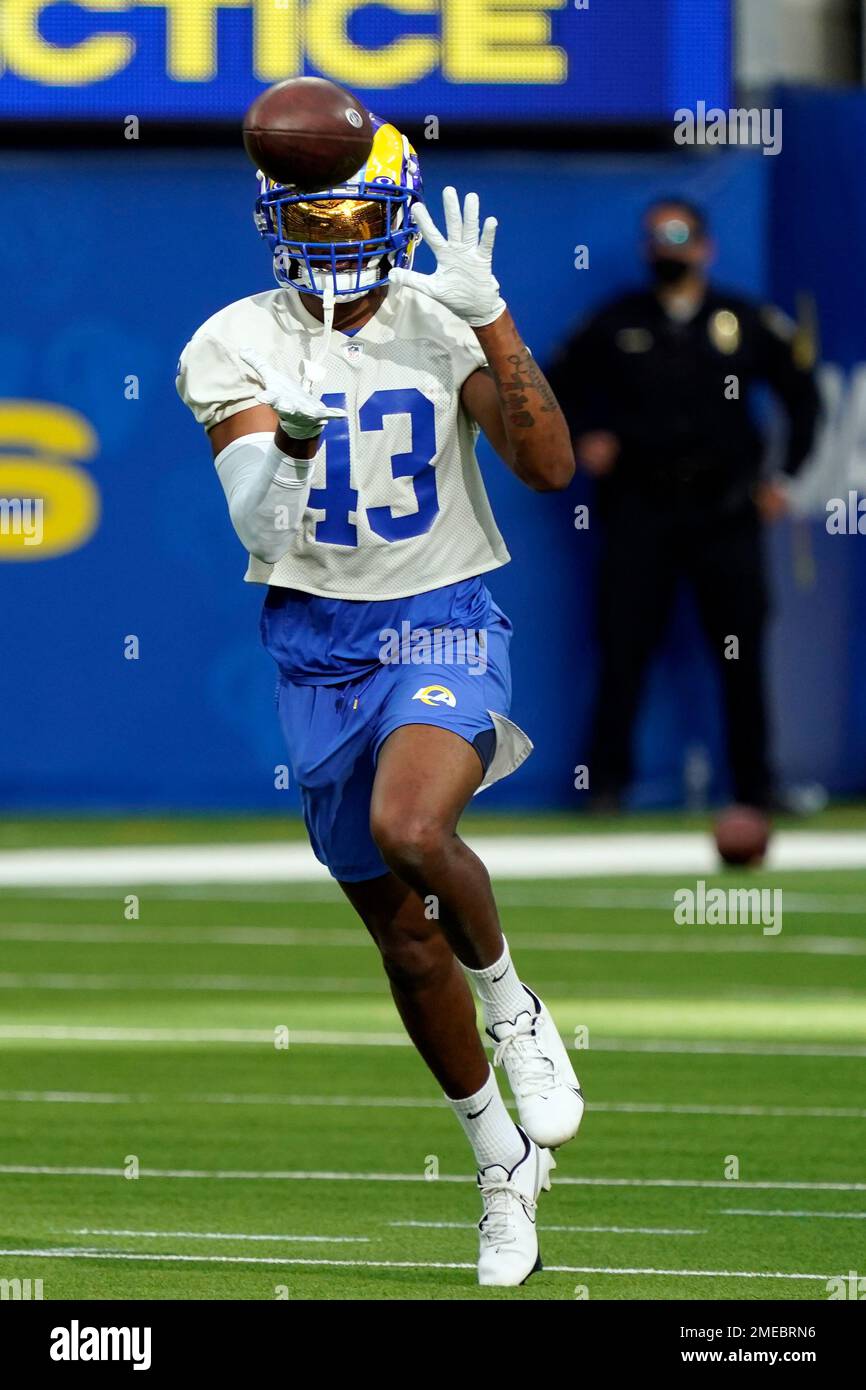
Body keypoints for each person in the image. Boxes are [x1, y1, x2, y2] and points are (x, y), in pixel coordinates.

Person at [176, 115, 581, 1287]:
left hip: (442, 618)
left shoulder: (435, 315)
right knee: (404, 943)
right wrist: (291, 450)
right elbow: (258, 525)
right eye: (311, 219)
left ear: (395, 209)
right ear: (273, 221)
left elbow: (548, 467)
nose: (335, 240)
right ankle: (497, 1162)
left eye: (354, 215)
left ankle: (516, 1010)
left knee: (415, 830)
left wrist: (489, 314)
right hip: (318, 649)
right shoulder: (231, 342)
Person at [548, 198, 821, 812]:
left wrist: (785, 478)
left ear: (706, 246)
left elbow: (802, 397)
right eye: (656, 238)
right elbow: (552, 383)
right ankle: (606, 786)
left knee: (741, 650)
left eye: (680, 235)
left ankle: (756, 786)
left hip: (725, 510)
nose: (667, 248)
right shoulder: (616, 322)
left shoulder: (743, 320)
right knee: (623, 647)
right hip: (639, 510)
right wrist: (584, 433)